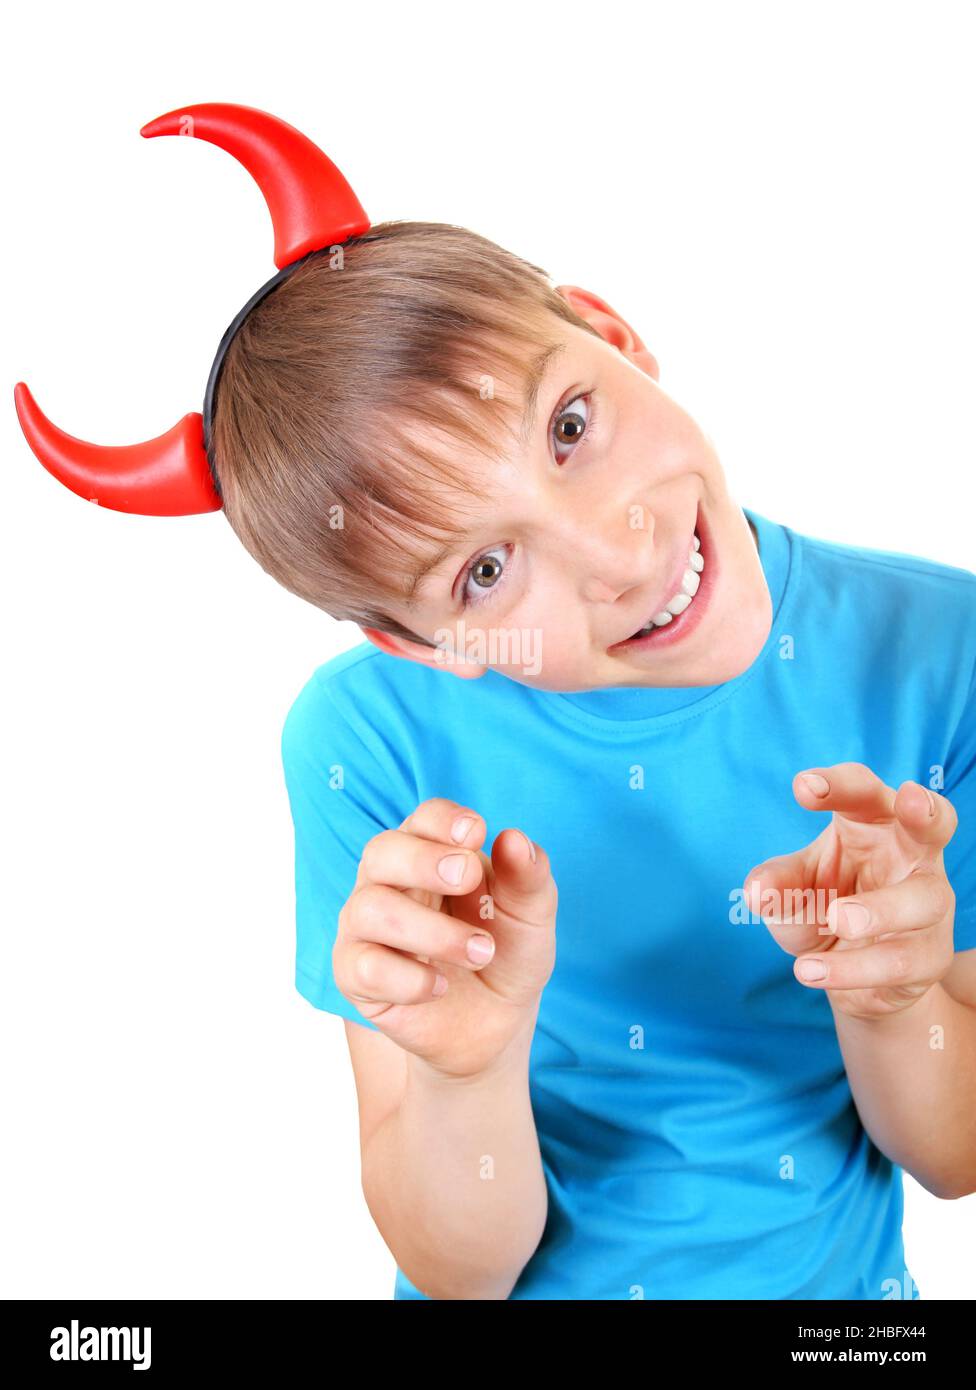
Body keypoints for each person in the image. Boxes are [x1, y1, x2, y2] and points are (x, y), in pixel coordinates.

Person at [17, 106, 976, 1302]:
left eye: (569, 426)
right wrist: (466, 1072)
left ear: (611, 332)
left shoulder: (941, 652)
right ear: (415, 645)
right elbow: (458, 1267)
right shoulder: (369, 743)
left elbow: (953, 1155)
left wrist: (892, 996)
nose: (615, 557)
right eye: (482, 572)